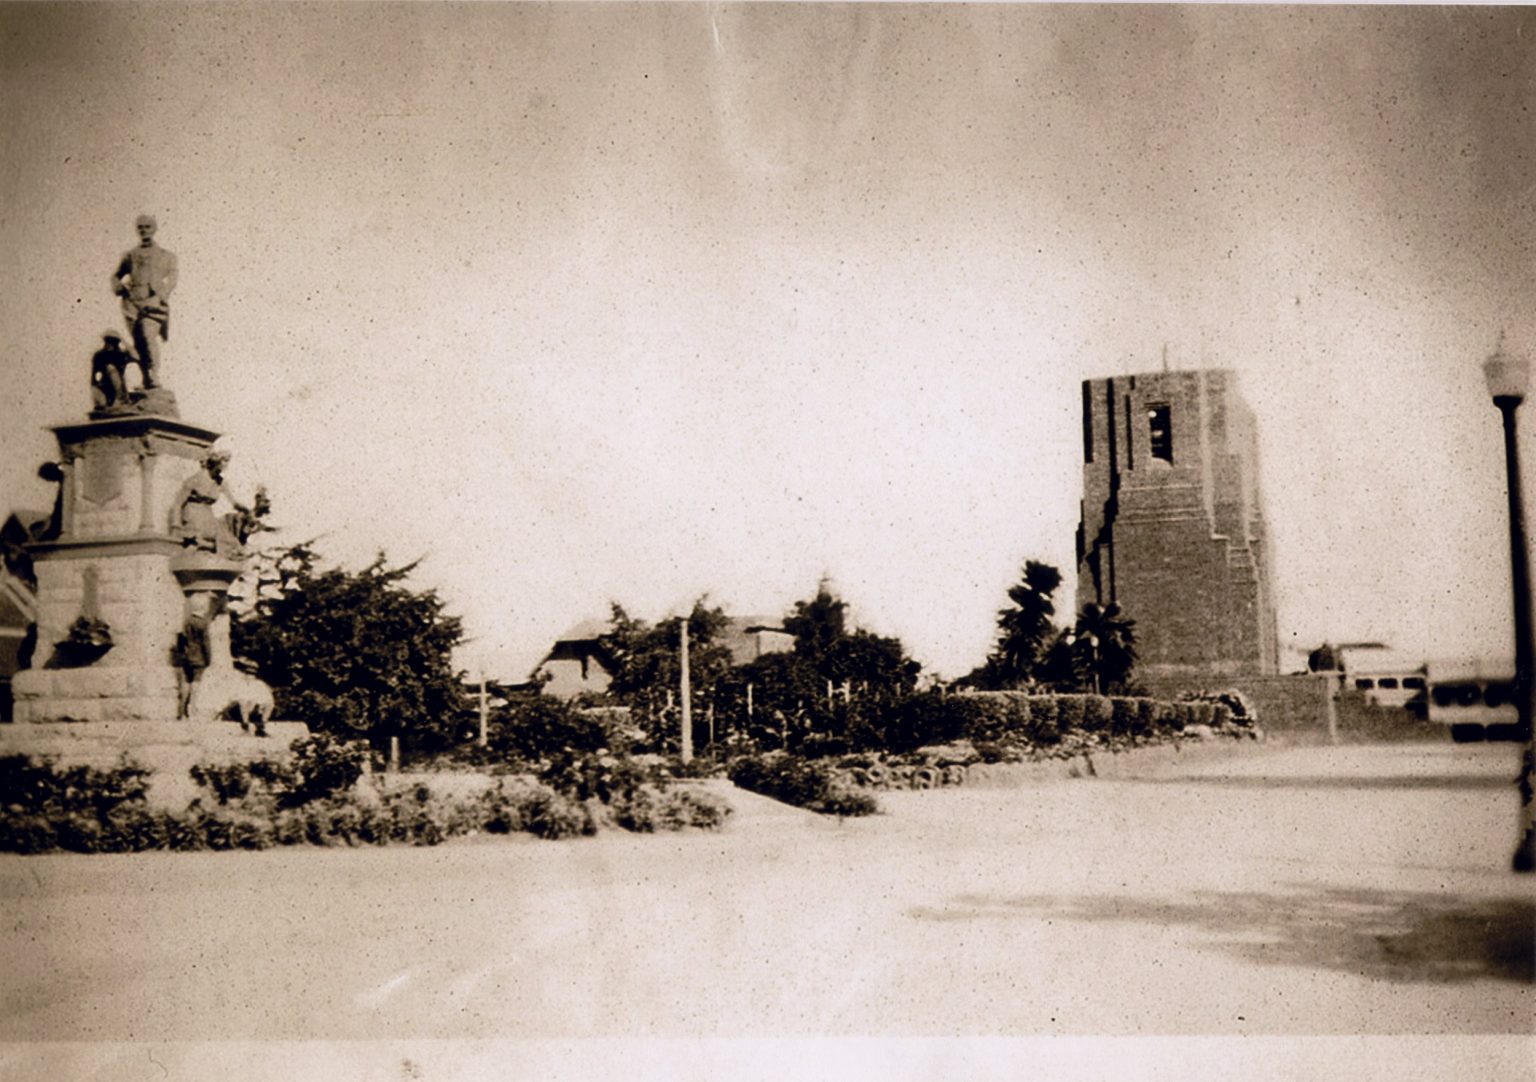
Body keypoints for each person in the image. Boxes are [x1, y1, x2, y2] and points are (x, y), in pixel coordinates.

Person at [110, 215, 177, 389]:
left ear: (154, 229)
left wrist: (160, 296)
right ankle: (146, 379)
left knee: (147, 336)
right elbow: (116, 276)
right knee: (138, 341)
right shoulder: (130, 255)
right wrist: (119, 288)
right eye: (140, 227)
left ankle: (153, 374)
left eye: (147, 226)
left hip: (153, 303)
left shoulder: (166, 256)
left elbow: (172, 279)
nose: (144, 230)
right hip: (132, 303)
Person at [90, 332, 133, 411]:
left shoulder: (120, 355)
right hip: (104, 385)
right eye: (107, 341)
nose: (109, 344)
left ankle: (120, 400)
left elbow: (135, 356)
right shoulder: (100, 355)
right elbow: (94, 375)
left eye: (112, 342)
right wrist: (96, 387)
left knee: (111, 368)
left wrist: (123, 341)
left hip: (119, 387)